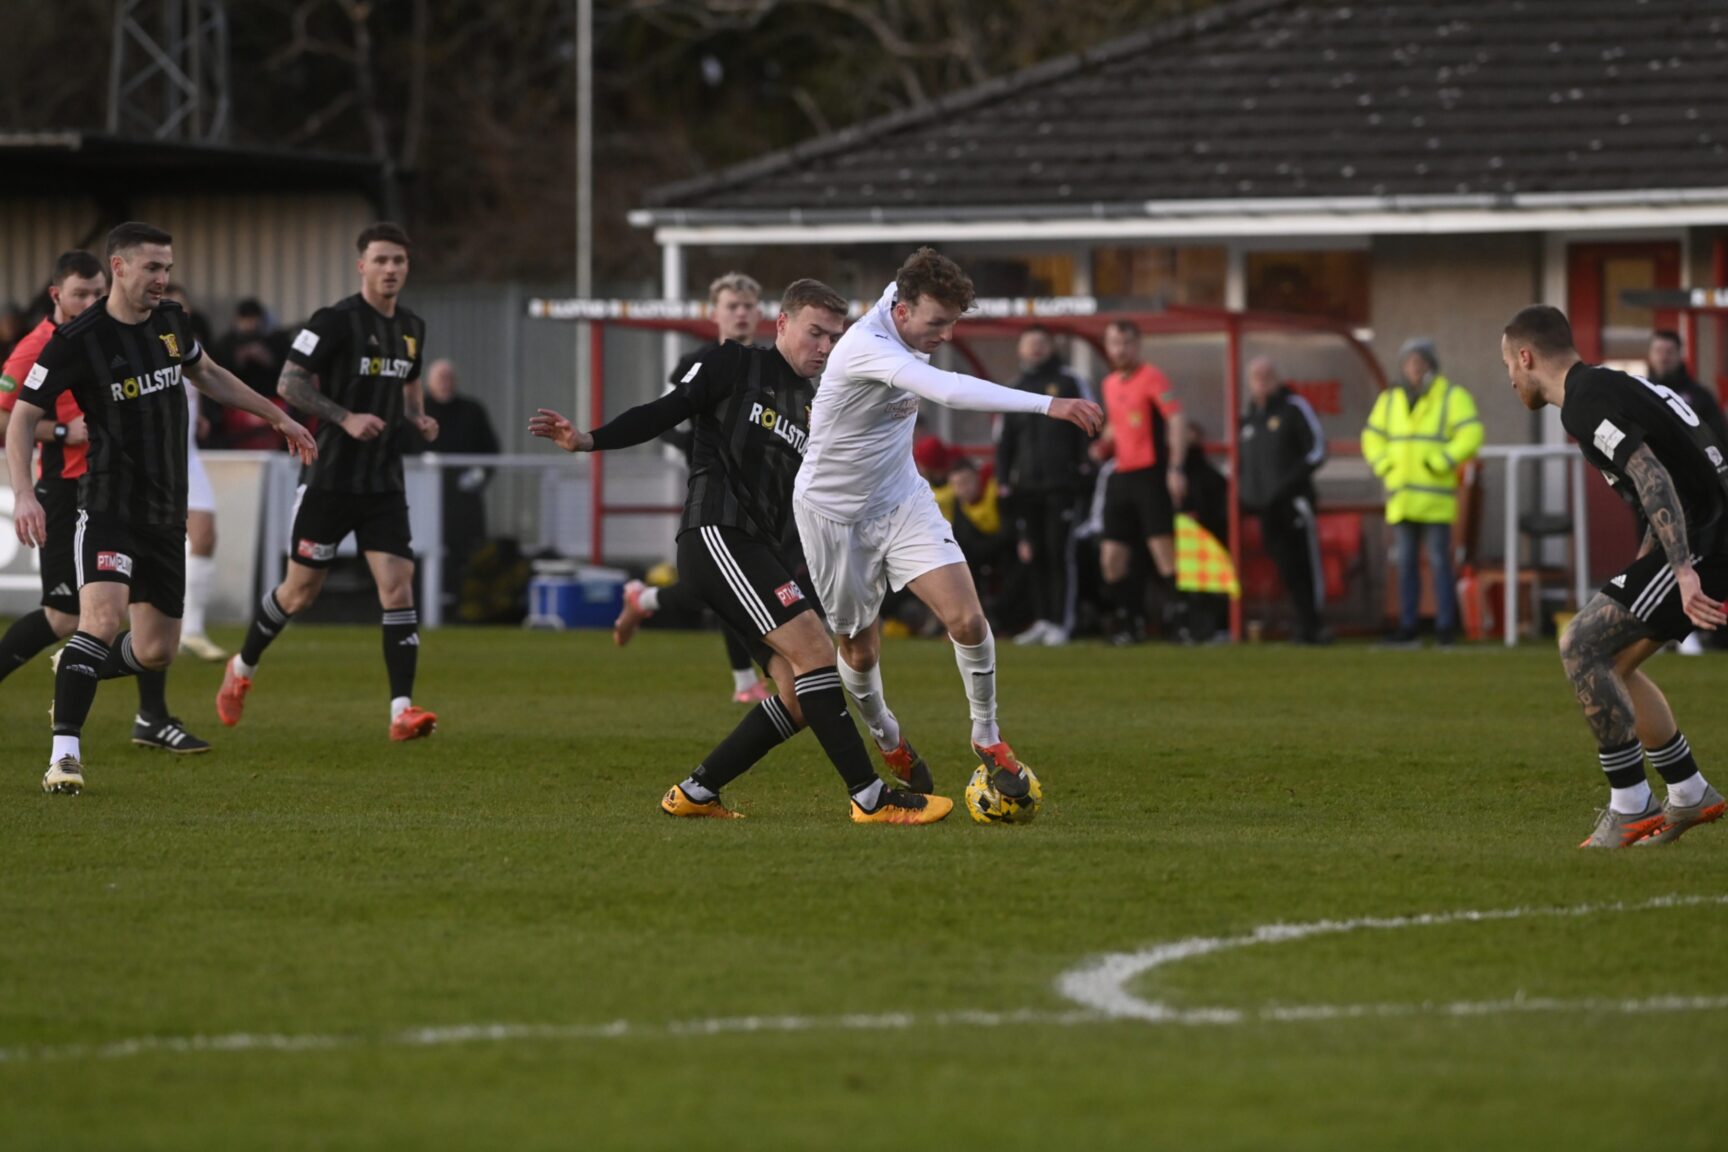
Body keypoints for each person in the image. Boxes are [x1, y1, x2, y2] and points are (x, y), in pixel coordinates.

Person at [531, 278, 950, 824]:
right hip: (717, 533)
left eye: (834, 337)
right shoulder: (732, 364)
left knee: (799, 695)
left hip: (762, 549)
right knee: (818, 654)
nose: (824, 347)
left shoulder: (822, 400)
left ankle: (696, 792)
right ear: (782, 324)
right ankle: (869, 797)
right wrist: (587, 440)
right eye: (814, 333)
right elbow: (665, 410)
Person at [6, 222, 316, 794]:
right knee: (98, 619)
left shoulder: (172, 322)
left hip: (165, 510)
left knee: (154, 650)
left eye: (167, 268)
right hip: (107, 505)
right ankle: (65, 756)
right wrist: (24, 491)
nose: (163, 278)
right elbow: (22, 414)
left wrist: (279, 415)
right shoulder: (77, 339)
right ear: (118, 268)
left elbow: (209, 373)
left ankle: (76, 664)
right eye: (152, 267)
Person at [792, 247, 1103, 813]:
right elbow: (951, 391)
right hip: (835, 516)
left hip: (902, 498)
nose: (944, 335)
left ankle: (986, 735)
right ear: (903, 312)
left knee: (967, 617)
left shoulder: (906, 302)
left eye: (953, 323)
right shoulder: (867, 344)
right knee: (859, 651)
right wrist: (1049, 404)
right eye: (936, 324)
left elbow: (918, 277)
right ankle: (886, 733)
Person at [1502, 304, 1725, 848]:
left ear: (1527, 357)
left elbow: (1652, 477)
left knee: (1579, 644)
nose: (1509, 378)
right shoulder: (1608, 386)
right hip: (1708, 531)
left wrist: (1681, 571)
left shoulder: (1584, 403)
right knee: (1611, 666)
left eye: (1508, 364)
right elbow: (1672, 470)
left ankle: (1630, 803)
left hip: (1708, 538)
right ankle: (1690, 791)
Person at [216, 222, 439, 741]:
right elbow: (287, 382)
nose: (390, 270)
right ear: (361, 265)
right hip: (331, 477)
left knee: (398, 586)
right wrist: (345, 418)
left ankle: (401, 712)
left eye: (399, 262)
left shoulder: (411, 326)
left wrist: (418, 417)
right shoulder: (335, 321)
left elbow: (409, 382)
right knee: (300, 593)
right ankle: (242, 668)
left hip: (383, 482)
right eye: (380, 260)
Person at [0, 250, 213, 753]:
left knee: (144, 610)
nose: (93, 301)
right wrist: (57, 431)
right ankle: (83, 704)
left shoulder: (125, 332)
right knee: (65, 616)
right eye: (81, 293)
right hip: (69, 489)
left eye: (98, 291)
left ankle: (152, 717)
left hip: (126, 489)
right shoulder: (39, 348)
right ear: (57, 296)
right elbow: (8, 420)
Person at [612, 271, 775, 705]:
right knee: (728, 578)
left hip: (764, 494)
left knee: (724, 582)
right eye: (732, 306)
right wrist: (691, 445)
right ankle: (747, 681)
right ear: (714, 313)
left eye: (747, 306)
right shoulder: (695, 364)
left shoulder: (769, 363)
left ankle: (645, 599)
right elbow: (662, 415)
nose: (741, 313)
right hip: (713, 489)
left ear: (760, 313)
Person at [1362, 337, 1483, 647]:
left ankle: (1445, 627)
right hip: (1402, 498)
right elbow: (1371, 437)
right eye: (1410, 363)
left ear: (1431, 365)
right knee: (1404, 566)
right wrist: (1384, 464)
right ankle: (1409, 625)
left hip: (1435, 499)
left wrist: (1443, 460)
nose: (1415, 369)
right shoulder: (1390, 399)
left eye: (1420, 362)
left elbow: (1471, 433)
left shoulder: (1451, 397)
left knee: (1439, 563)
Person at [998, 325, 1093, 646]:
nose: (1036, 349)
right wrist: (1003, 480)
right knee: (1033, 553)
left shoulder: (1069, 382)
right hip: (1026, 488)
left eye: (1041, 343)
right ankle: (1041, 619)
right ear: (1020, 350)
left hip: (1061, 485)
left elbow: (1089, 426)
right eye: (1030, 343)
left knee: (1058, 551)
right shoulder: (1016, 388)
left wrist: (1082, 469)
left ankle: (1061, 622)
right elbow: (1005, 441)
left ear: (1051, 347)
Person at [1094, 319, 1186, 646]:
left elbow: (1175, 418)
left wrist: (1176, 468)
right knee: (1111, 557)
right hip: (1122, 475)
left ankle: (1181, 620)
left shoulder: (1153, 377)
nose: (1119, 349)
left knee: (1163, 552)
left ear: (1137, 345)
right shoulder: (1109, 383)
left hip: (1150, 473)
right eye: (1113, 343)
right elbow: (1117, 427)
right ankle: (1129, 622)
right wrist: (1102, 444)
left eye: (1125, 343)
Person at [1238, 356, 1330, 644]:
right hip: (1264, 506)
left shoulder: (1294, 408)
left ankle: (1313, 626)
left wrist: (1290, 483)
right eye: (1255, 375)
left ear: (1277, 377)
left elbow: (1317, 449)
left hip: (1293, 502)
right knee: (1285, 567)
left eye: (1267, 374)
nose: (1261, 380)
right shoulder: (1249, 417)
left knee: (1303, 564)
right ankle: (1298, 624)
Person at [404, 358, 500, 617]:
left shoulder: (472, 411)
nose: (445, 384)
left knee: (464, 553)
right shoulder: (414, 412)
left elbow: (490, 451)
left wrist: (477, 476)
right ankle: (420, 607)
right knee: (420, 552)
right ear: (428, 382)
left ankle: (461, 608)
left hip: (463, 501)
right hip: (421, 502)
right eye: (440, 378)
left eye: (449, 378)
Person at [207, 298, 290, 450]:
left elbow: (288, 371)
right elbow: (215, 372)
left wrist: (268, 359)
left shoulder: (277, 340)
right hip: (236, 405)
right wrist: (238, 359)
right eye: (246, 320)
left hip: (272, 400)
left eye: (254, 320)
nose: (250, 325)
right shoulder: (227, 343)